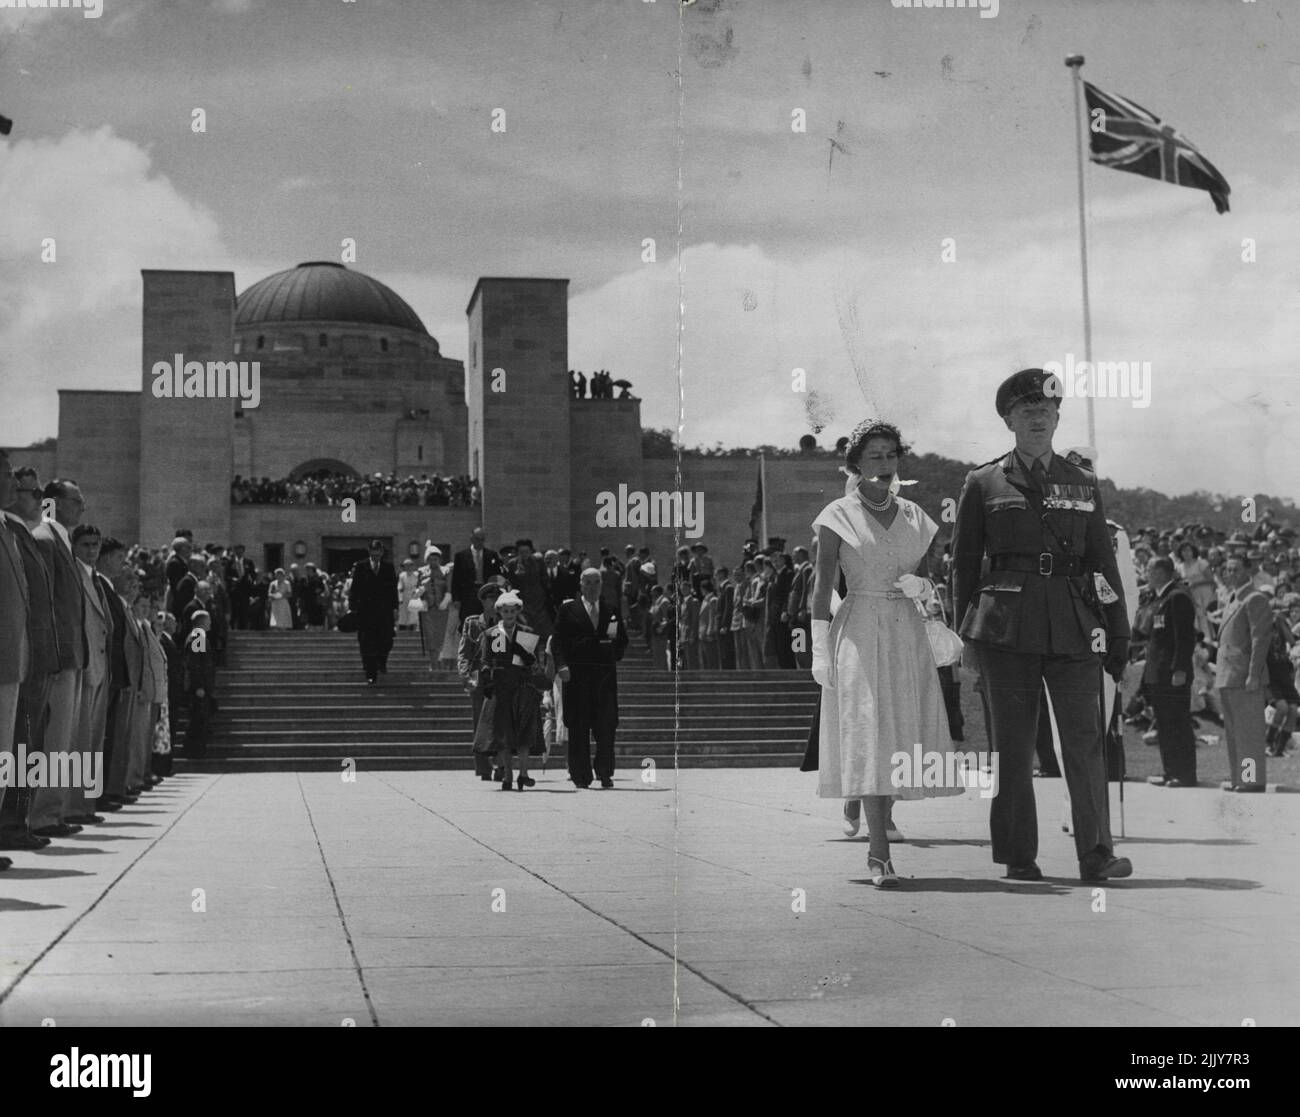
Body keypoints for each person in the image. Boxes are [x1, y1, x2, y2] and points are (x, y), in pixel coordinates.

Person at [952, 369, 1132, 883]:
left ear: (1057, 418)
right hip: (1004, 627)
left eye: (1046, 411)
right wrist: (965, 638)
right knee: (1011, 745)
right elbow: (965, 566)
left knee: (1084, 741)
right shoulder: (982, 482)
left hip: (1073, 624)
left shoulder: (1082, 483)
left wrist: (1117, 630)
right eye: (1026, 411)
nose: (1037, 419)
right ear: (1008, 419)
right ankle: (1018, 855)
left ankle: (1097, 853)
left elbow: (1103, 562)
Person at [811, 420, 959, 888]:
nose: (883, 465)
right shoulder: (837, 515)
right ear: (857, 464)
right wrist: (819, 650)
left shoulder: (916, 516)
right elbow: (820, 592)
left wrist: (925, 587)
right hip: (858, 628)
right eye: (874, 457)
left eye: (891, 456)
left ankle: (879, 817)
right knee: (872, 732)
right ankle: (879, 853)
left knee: (900, 731)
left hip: (906, 631)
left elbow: (930, 583)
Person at [28, 480, 90, 839]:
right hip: (57, 655)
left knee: (63, 741)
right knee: (51, 739)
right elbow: (45, 603)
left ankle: (54, 811)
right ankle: (42, 815)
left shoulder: (61, 540)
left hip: (72, 654)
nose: (82, 507)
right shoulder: (46, 539)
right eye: (76, 500)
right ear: (54, 503)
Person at [552, 568, 628, 789]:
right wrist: (562, 665)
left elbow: (621, 640)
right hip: (576, 677)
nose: (593, 586)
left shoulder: (611, 610)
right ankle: (581, 775)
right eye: (588, 582)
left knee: (605, 727)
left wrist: (612, 650)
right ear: (581, 584)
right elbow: (558, 641)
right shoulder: (568, 610)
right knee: (578, 727)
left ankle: (605, 772)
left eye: (597, 582)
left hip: (603, 678)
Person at [473, 591, 548, 790]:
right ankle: (507, 775)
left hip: (522, 687)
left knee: (524, 734)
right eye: (505, 611)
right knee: (504, 735)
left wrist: (528, 657)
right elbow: (487, 660)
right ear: (499, 612)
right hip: (501, 688)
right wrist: (487, 678)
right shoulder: (493, 633)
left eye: (512, 611)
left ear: (517, 611)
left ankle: (523, 774)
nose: (509, 614)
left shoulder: (525, 631)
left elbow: (533, 661)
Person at [1214, 555, 1270, 792]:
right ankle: (1239, 778)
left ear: (1249, 570)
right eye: (1227, 570)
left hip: (1244, 674)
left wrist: (1254, 674)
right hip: (1228, 673)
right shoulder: (1232, 598)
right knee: (1234, 732)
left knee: (1248, 732)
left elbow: (1260, 639)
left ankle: (1251, 780)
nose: (1231, 573)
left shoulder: (1254, 598)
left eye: (1236, 568)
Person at [1143, 555, 1199, 788]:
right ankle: (1170, 771)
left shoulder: (1177, 597)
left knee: (1177, 724)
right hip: (1159, 673)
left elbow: (1184, 638)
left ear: (1161, 571)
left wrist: (1180, 670)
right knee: (1164, 725)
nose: (1146, 574)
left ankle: (1184, 774)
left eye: (1149, 569)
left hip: (1172, 674)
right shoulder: (1161, 598)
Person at [458, 579, 507, 780]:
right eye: (490, 598)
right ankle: (483, 767)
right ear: (483, 601)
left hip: (499, 676)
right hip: (479, 676)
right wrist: (465, 676)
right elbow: (464, 653)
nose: (493, 602)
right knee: (479, 723)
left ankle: (501, 765)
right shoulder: (472, 623)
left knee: (500, 722)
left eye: (496, 598)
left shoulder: (504, 624)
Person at [347, 540, 399, 686]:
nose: (376, 554)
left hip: (384, 612)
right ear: (369, 551)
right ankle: (371, 673)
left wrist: (395, 608)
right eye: (373, 551)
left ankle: (381, 661)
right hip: (365, 611)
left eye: (379, 551)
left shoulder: (389, 568)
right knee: (366, 642)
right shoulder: (361, 566)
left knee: (386, 640)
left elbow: (393, 591)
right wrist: (352, 607)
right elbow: (355, 589)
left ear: (382, 552)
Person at [451, 527, 503, 617]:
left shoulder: (492, 555)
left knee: (487, 617)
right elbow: (456, 579)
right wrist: (456, 598)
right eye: (477, 539)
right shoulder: (461, 556)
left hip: (487, 593)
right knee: (468, 618)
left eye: (482, 540)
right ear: (471, 539)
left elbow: (497, 576)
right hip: (468, 594)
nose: (479, 542)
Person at [397, 558, 421, 630]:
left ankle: (414, 628)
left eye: (410, 565)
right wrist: (400, 598)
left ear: (413, 566)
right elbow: (400, 587)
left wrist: (417, 592)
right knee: (404, 612)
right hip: (405, 595)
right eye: (406, 566)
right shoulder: (402, 575)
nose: (408, 567)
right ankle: (403, 629)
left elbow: (419, 585)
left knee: (414, 612)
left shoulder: (416, 574)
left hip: (414, 594)